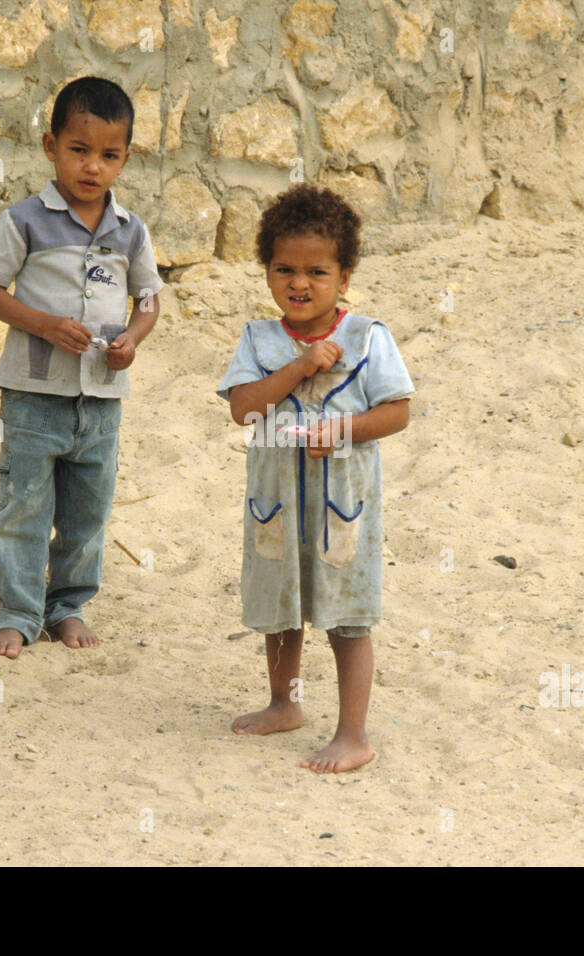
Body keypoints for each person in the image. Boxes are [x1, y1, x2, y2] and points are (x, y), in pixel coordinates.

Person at [217, 184, 414, 773]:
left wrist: (345, 430)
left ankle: (353, 734)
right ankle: (285, 704)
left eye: (316, 272)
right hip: (276, 501)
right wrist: (302, 364)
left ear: (344, 276)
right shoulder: (259, 339)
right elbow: (244, 407)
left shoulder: (368, 337)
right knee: (281, 605)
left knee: (347, 615)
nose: (299, 284)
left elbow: (398, 411)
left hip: (340, 507)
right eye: (284, 269)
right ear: (267, 272)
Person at [0, 76, 162, 659]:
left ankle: (68, 606)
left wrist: (133, 337)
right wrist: (42, 324)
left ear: (125, 159)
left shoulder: (130, 232)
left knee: (87, 509)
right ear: (50, 145)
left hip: (102, 399)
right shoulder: (25, 220)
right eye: (79, 150)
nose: (92, 167)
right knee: (24, 504)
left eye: (108, 155)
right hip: (34, 395)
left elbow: (149, 300)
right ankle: (18, 610)